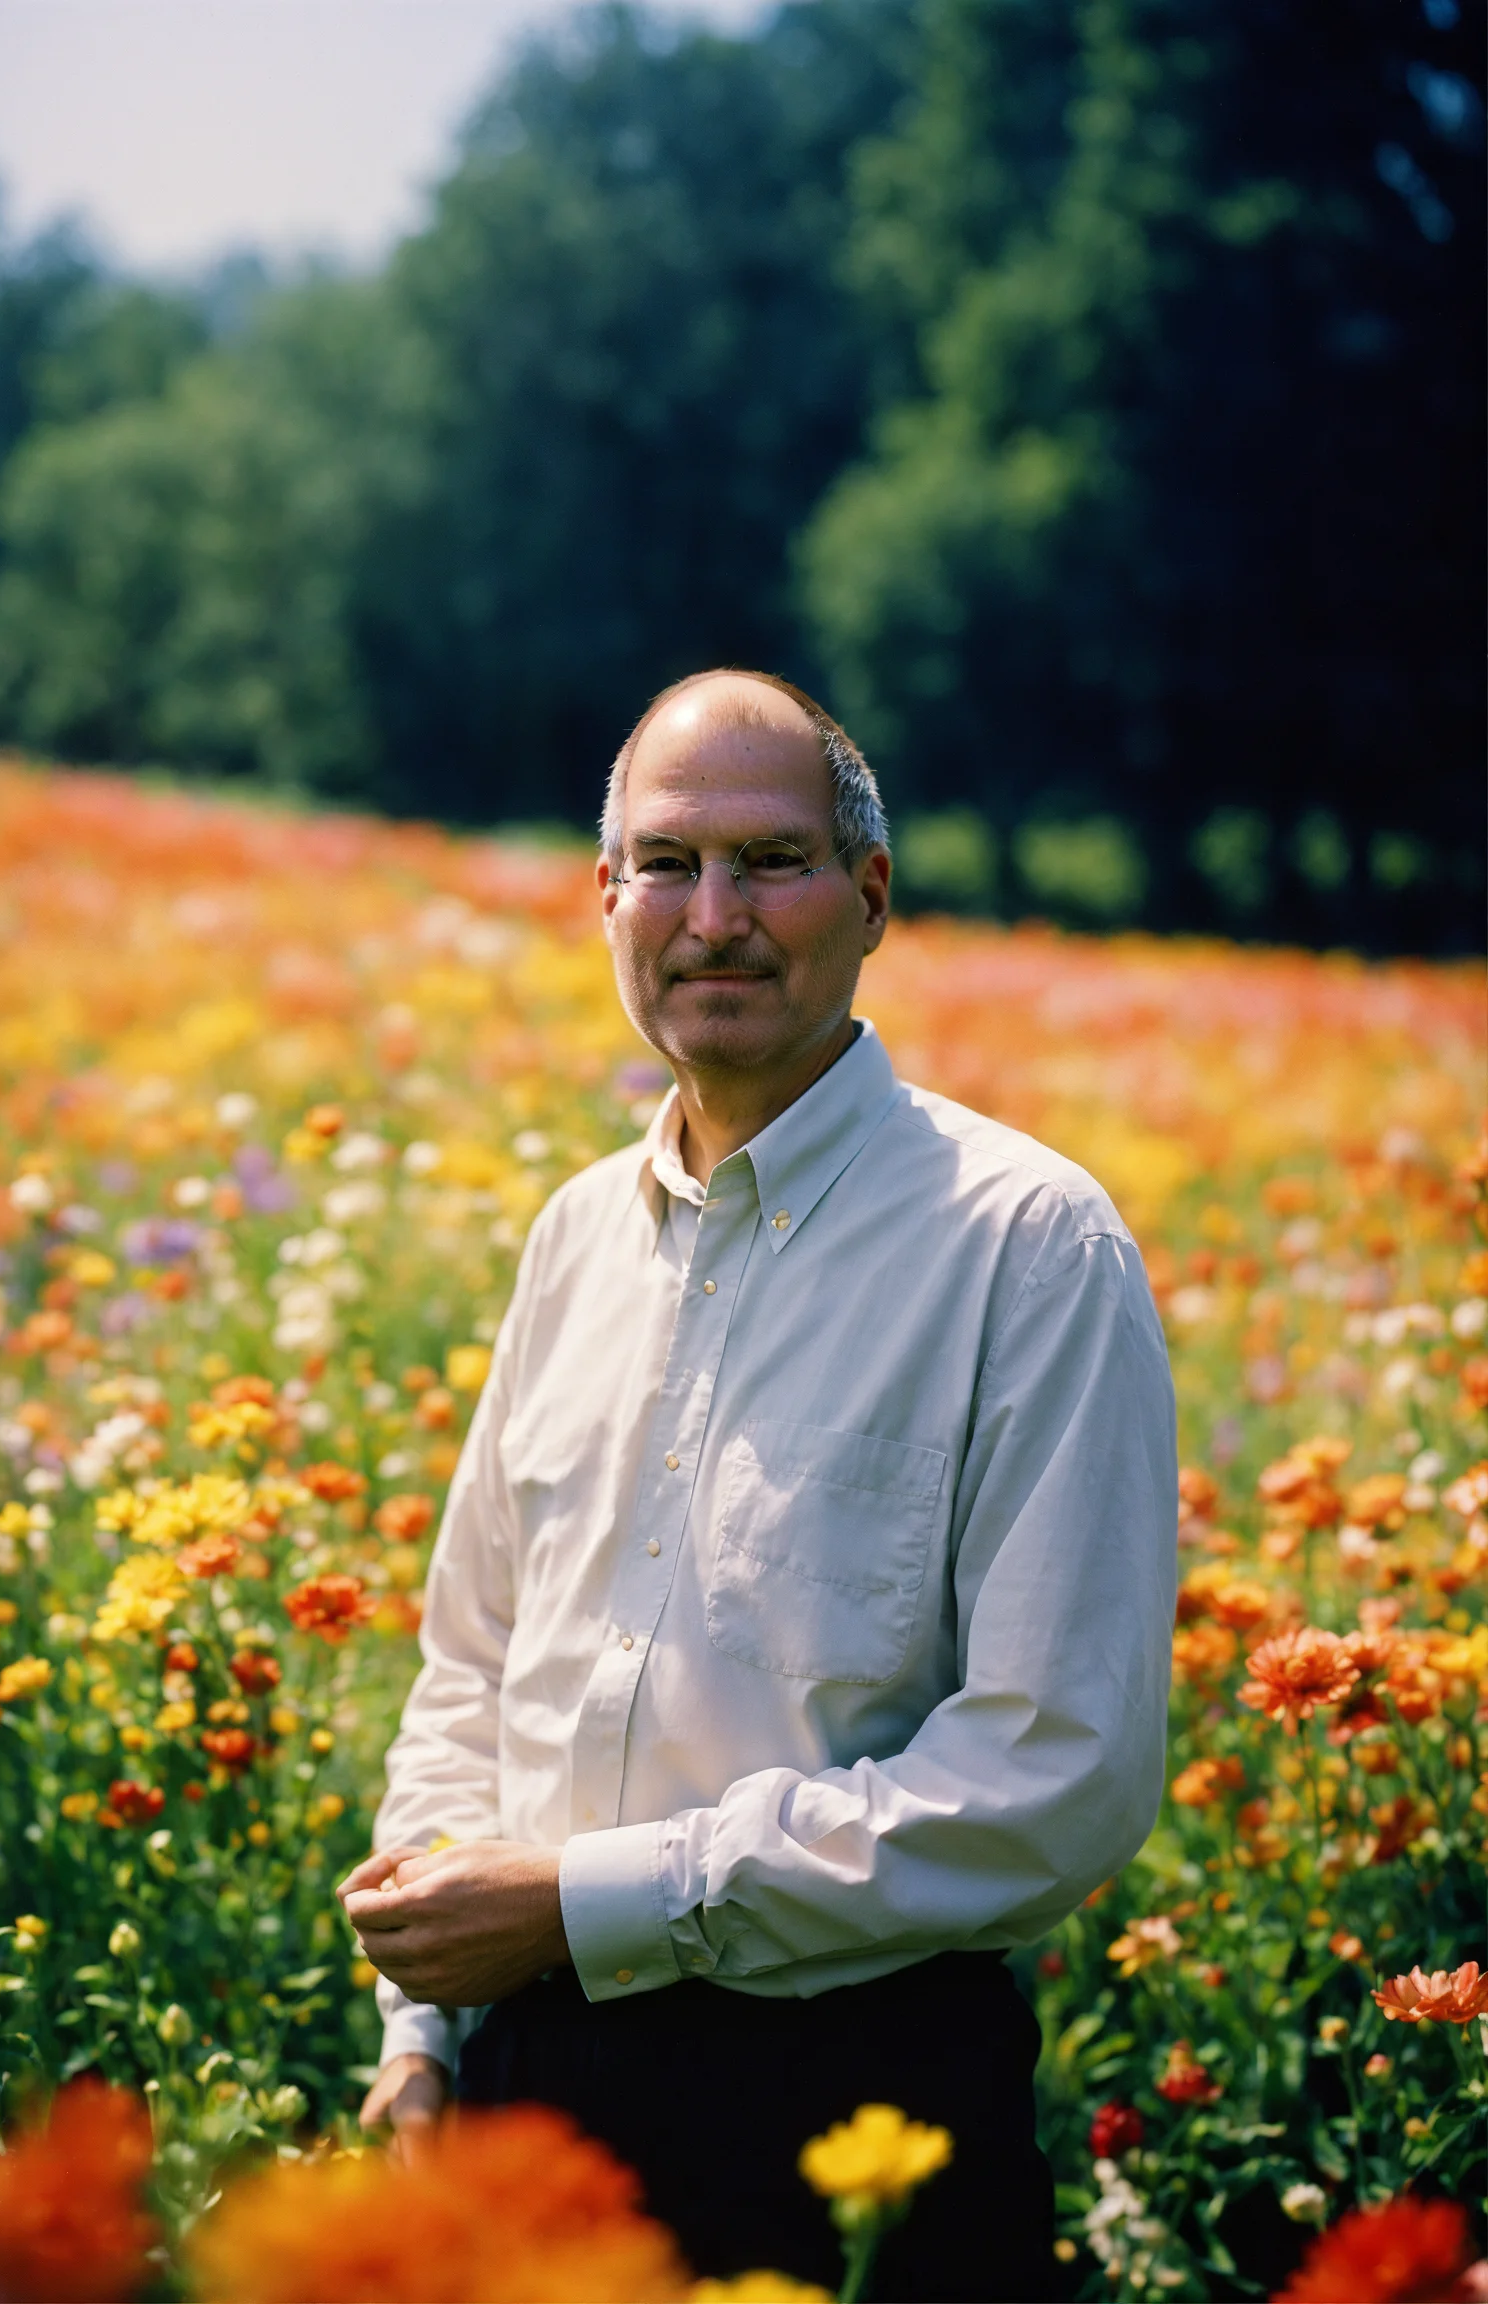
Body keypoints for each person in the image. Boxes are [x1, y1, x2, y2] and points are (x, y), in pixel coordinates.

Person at [338, 669, 1177, 2301]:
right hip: (530, 2093)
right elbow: (476, 1668)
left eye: (772, 862)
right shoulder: (575, 1236)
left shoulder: (1025, 1245)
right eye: (666, 863)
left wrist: (591, 1904)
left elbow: (1056, 1776)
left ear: (871, 900)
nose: (713, 916)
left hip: (858, 2102)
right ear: (605, 900)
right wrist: (425, 2032)